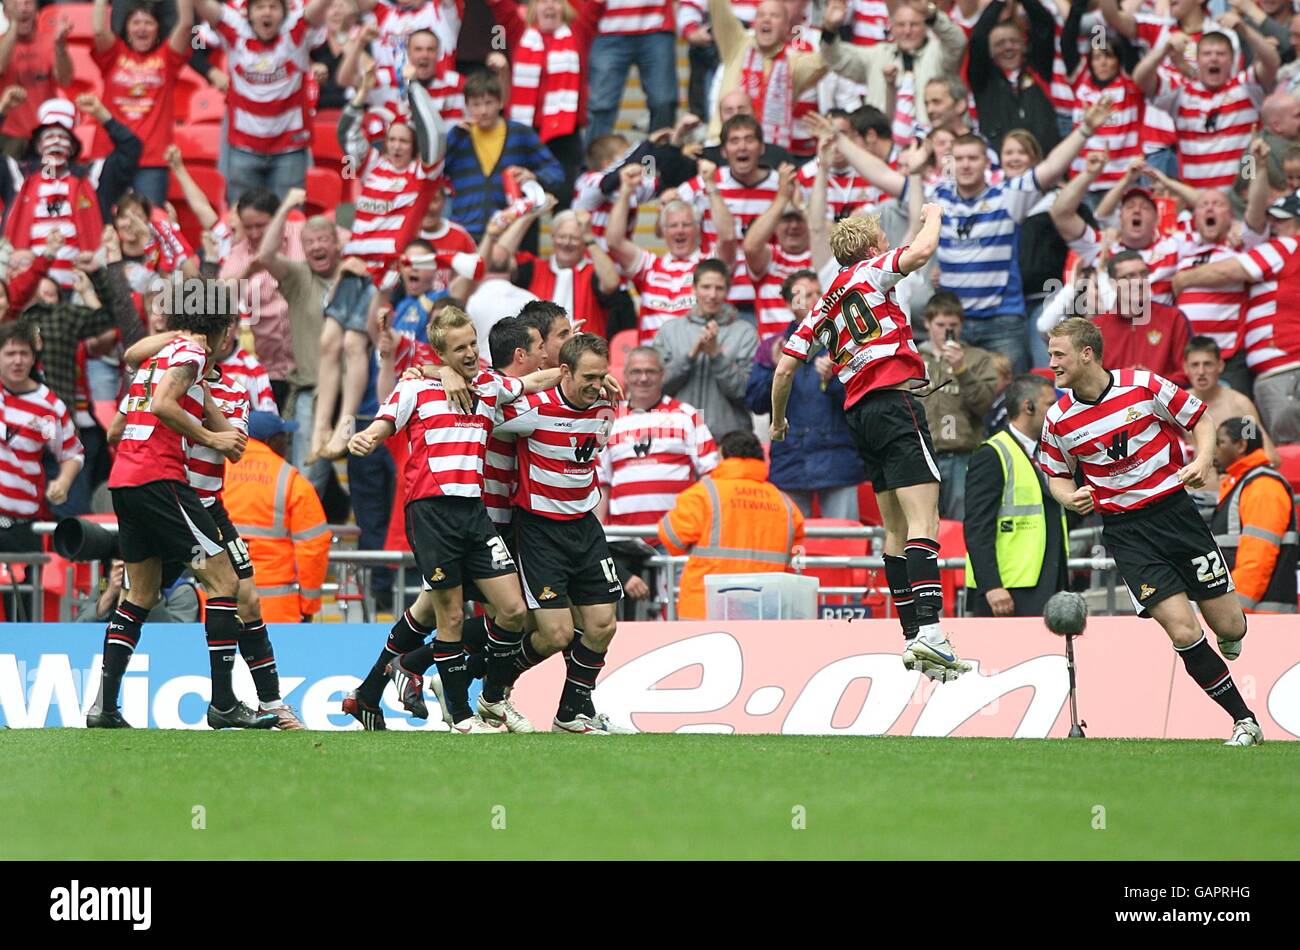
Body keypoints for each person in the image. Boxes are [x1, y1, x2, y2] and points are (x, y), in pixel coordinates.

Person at [771, 205, 972, 681]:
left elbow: (784, 368)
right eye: (882, 239)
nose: (887, 244)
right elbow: (922, 250)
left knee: (894, 529)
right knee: (925, 519)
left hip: (859, 416)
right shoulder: (869, 272)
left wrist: (779, 423)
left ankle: (910, 636)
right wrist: (934, 214)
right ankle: (931, 634)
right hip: (894, 405)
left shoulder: (822, 305)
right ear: (868, 248)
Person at [1039, 317, 1260, 746]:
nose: (1051, 364)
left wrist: (1201, 461)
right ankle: (1244, 719)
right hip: (1126, 531)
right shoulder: (1058, 419)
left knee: (1229, 625)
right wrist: (1069, 498)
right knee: (1182, 631)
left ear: (1087, 353)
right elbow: (1056, 476)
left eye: (1058, 354)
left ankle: (1232, 634)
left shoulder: (1142, 385)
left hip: (1177, 514)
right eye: (1050, 355)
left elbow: (1200, 420)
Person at [344, 306, 551, 733]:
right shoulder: (415, 389)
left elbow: (530, 381)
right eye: (460, 348)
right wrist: (366, 437)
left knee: (512, 610)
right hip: (432, 513)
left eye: (473, 343)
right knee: (450, 616)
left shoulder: (490, 387)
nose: (472, 353)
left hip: (475, 514)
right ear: (441, 351)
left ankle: (490, 698)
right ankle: (460, 714)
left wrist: (573, 375)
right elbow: (383, 425)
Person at [89, 291, 277, 730]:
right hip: (162, 480)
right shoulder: (191, 351)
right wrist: (211, 439)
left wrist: (213, 421)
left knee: (141, 594)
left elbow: (120, 424)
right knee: (224, 581)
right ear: (222, 329)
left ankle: (104, 707)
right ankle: (224, 703)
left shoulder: (161, 356)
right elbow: (163, 406)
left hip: (125, 481)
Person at [116, 335, 308, 728]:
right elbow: (119, 426)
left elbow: (232, 447)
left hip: (207, 507)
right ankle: (107, 701)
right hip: (166, 501)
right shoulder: (160, 376)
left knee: (247, 598)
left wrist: (200, 397)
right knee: (135, 593)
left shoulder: (233, 391)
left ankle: (271, 701)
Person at [491, 333, 633, 735]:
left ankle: (570, 714)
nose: (595, 384)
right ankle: (494, 690)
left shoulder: (607, 404)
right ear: (564, 372)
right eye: (587, 376)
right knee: (554, 634)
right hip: (540, 529)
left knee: (603, 625)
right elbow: (486, 405)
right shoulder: (533, 408)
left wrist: (599, 384)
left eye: (601, 375)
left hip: (585, 527)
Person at [1173, 192, 1300, 444]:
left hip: (1283, 366)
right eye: (1271, 220)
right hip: (1278, 367)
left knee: (1289, 447)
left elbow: (1227, 270)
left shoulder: (1289, 244)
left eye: (1281, 220)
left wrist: (1182, 279)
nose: (1273, 226)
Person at [745, 269, 865, 520]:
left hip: (837, 462)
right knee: (791, 547)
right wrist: (775, 373)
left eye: (818, 293)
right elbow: (755, 403)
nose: (816, 300)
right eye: (806, 295)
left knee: (844, 548)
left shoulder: (848, 342)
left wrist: (834, 381)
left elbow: (862, 405)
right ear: (790, 304)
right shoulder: (772, 348)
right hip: (791, 462)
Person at [657, 429, 805, 619]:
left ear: (722, 456)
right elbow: (796, 561)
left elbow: (671, 538)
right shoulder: (784, 503)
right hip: (765, 611)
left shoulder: (704, 494)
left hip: (705, 609)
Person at [195, 0, 331, 203]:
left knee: (290, 221)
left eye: (273, 7)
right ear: (248, 14)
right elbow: (202, 8)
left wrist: (322, 66)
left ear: (284, 12)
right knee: (243, 221)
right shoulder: (234, 27)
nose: (266, 13)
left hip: (290, 149)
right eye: (259, 7)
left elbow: (321, 7)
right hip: (243, 147)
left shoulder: (296, 29)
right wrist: (211, 73)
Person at [0, 96, 142, 290]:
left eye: (63, 137)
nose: (56, 142)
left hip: (81, 291)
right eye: (49, 137)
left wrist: (101, 115)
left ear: (74, 147)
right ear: (38, 146)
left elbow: (131, 148)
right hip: (26, 290)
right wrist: (3, 110)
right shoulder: (18, 178)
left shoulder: (93, 177)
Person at [253, 187, 337, 493]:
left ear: (337, 243)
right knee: (308, 474)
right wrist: (287, 204)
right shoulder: (300, 277)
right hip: (311, 391)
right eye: (309, 241)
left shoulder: (355, 276)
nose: (317, 246)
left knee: (366, 477)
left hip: (357, 396)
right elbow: (265, 255)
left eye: (323, 239)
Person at [963, 373, 1068, 617]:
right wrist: (991, 585)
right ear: (1027, 406)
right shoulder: (991, 454)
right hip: (1008, 589)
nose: (1056, 411)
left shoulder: (1048, 452)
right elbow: (977, 527)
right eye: (1050, 404)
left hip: (1047, 581)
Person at [1133, 20, 1278, 190]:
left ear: (1232, 60)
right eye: (1207, 54)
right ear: (1198, 60)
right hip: (1197, 201)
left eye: (1221, 54)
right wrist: (1165, 48)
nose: (1214, 58)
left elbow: (1272, 63)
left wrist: (1245, 30)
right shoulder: (1181, 93)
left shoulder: (1247, 87)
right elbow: (1140, 78)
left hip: (1239, 199)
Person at [483, 0, 604, 203]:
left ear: (564, 8)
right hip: (525, 132)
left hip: (565, 133)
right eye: (542, 1)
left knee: (565, 199)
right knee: (524, 200)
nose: (549, 6)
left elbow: (594, 6)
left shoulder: (578, 33)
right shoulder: (518, 32)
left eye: (556, 1)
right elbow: (500, 6)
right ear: (533, 9)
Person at [0, 322, 82, 620]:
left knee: (22, 613)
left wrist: (63, 480)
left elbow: (73, 453)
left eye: (24, 353)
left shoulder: (50, 407)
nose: (18, 360)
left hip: (23, 525)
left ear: (34, 358)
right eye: (10, 353)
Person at [223, 410, 330, 630]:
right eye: (284, 437)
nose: (287, 443)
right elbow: (313, 547)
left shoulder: (216, 471)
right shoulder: (291, 480)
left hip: (218, 601)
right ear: (271, 440)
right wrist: (309, 605)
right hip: (275, 608)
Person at [606, 162, 735, 344]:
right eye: (673, 225)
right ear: (664, 231)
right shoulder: (649, 265)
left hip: (697, 361)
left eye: (686, 225)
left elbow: (728, 237)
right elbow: (614, 241)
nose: (679, 231)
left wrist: (711, 185)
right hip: (653, 366)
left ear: (698, 229)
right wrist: (626, 191)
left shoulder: (710, 264)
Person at [599, 346, 718, 527]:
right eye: (636, 372)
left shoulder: (687, 415)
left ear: (663, 375)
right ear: (625, 375)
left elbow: (711, 473)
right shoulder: (609, 419)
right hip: (622, 536)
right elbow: (601, 483)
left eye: (651, 372)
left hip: (677, 533)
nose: (643, 378)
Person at [442, 70, 564, 243]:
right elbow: (434, 173)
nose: (483, 111)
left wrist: (534, 176)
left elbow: (556, 173)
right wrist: (453, 139)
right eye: (476, 104)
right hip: (467, 231)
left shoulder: (520, 133)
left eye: (488, 103)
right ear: (467, 106)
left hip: (512, 232)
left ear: (500, 102)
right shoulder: (458, 136)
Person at [90, 0, 193, 206]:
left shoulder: (167, 57)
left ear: (158, 29)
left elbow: (187, 25)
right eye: (136, 22)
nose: (142, 28)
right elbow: (99, 31)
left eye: (148, 22)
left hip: (151, 161)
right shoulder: (114, 54)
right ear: (126, 29)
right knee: (104, 226)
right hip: (111, 155)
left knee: (151, 227)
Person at [819, 0, 967, 141]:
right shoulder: (877, 55)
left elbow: (957, 41)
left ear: (925, 26)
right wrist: (829, 29)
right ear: (891, 27)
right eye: (901, 25)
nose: (907, 31)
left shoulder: (939, 53)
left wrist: (931, 14)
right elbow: (836, 58)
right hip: (883, 143)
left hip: (931, 140)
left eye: (914, 25)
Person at [653, 258, 760, 441]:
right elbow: (656, 386)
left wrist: (717, 356)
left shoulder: (745, 333)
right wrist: (690, 356)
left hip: (729, 440)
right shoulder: (670, 331)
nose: (712, 295)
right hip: (678, 437)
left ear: (727, 290)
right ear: (693, 288)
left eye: (719, 288)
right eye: (706, 287)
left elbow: (747, 393)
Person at [916, 292, 999, 520]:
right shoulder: (912, 359)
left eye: (952, 324)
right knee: (923, 527)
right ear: (927, 323)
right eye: (940, 324)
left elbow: (984, 405)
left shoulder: (977, 358)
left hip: (963, 456)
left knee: (962, 525)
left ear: (961, 325)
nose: (945, 330)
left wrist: (962, 369)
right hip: (921, 456)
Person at [706, 0, 826, 149]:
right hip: (723, 147)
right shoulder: (736, 44)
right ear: (754, 22)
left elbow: (830, 59)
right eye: (760, 15)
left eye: (774, 15)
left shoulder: (795, 65)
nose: (766, 19)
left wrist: (831, 27)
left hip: (771, 155)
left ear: (786, 27)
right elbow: (719, 8)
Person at [1212, 415, 1298, 614]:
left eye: (1220, 443)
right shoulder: (1245, 484)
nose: (1214, 450)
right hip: (1252, 616)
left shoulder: (1262, 487)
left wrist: (1234, 613)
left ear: (1241, 446)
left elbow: (1258, 557)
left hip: (1261, 618)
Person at [966, 0, 1061, 154]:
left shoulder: (1038, 67)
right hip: (1002, 169)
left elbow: (1044, 24)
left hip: (1044, 165)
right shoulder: (983, 80)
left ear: (1024, 45)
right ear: (989, 52)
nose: (1008, 47)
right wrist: (998, 2)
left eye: (1014, 41)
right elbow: (977, 39)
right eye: (1000, 43)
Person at [1091, 249, 1194, 386]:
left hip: (1163, 403)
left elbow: (1188, 372)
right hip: (1114, 405)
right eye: (1129, 276)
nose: (1139, 282)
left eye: (1143, 274)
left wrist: (1152, 382)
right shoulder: (1096, 327)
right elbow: (1090, 380)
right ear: (1113, 284)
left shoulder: (1173, 318)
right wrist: (1121, 383)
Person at [585, 0, 676, 143]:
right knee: (601, 104)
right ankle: (596, 162)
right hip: (608, 29)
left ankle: (661, 159)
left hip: (656, 25)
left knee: (663, 101)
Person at [1182, 336, 1279, 468]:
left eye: (1208, 364)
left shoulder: (1240, 405)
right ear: (1185, 368)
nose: (1201, 372)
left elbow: (1269, 457)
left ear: (1220, 365)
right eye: (1195, 365)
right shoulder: (1176, 404)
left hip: (1233, 486)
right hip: (1189, 487)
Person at [0, 0, 64, 156]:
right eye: (16, 4)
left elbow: (64, 79)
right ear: (6, 13)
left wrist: (61, 48)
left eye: (28, 3)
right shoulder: (2, 43)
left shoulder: (49, 41)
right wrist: (14, 25)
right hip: (8, 134)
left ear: (37, 11)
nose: (23, 8)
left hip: (43, 133)